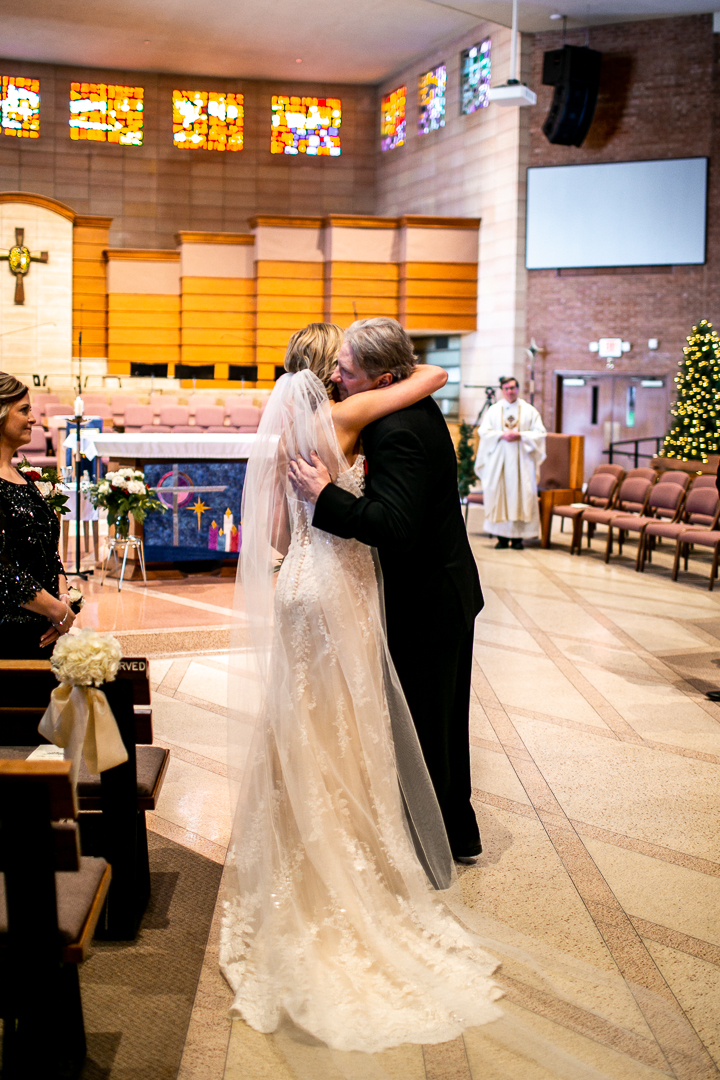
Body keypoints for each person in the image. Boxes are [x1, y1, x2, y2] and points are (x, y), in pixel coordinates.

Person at [221, 323, 502, 1053]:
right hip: (343, 590)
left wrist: (317, 511)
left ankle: (382, 828)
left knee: (340, 717)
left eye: (351, 368)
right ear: (330, 377)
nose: (343, 377)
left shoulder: (326, 421)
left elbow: (301, 533)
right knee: (362, 716)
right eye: (338, 366)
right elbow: (428, 380)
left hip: (326, 585)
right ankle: (390, 831)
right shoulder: (351, 415)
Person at [290, 318, 484, 861]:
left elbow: (394, 526)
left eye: (347, 370)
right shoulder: (398, 407)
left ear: (383, 378)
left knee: (429, 723)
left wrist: (326, 495)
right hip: (435, 588)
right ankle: (448, 829)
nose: (337, 376)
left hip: (429, 598)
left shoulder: (398, 430)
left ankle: (440, 838)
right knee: (434, 722)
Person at [0, 373, 75, 659]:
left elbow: (48, 549)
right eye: (24, 410)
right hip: (9, 634)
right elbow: (3, 572)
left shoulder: (24, 480)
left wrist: (64, 599)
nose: (33, 419)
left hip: (43, 628)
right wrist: (56, 610)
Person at [474, 376, 547, 550]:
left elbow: (540, 433)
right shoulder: (494, 410)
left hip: (522, 461)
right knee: (500, 495)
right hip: (500, 461)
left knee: (522, 495)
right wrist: (501, 435)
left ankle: (518, 540)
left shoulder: (529, 411)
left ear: (518, 388)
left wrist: (521, 435)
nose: (510, 391)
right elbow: (484, 431)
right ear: (502, 390)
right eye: (506, 388)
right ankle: (501, 539)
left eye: (512, 388)